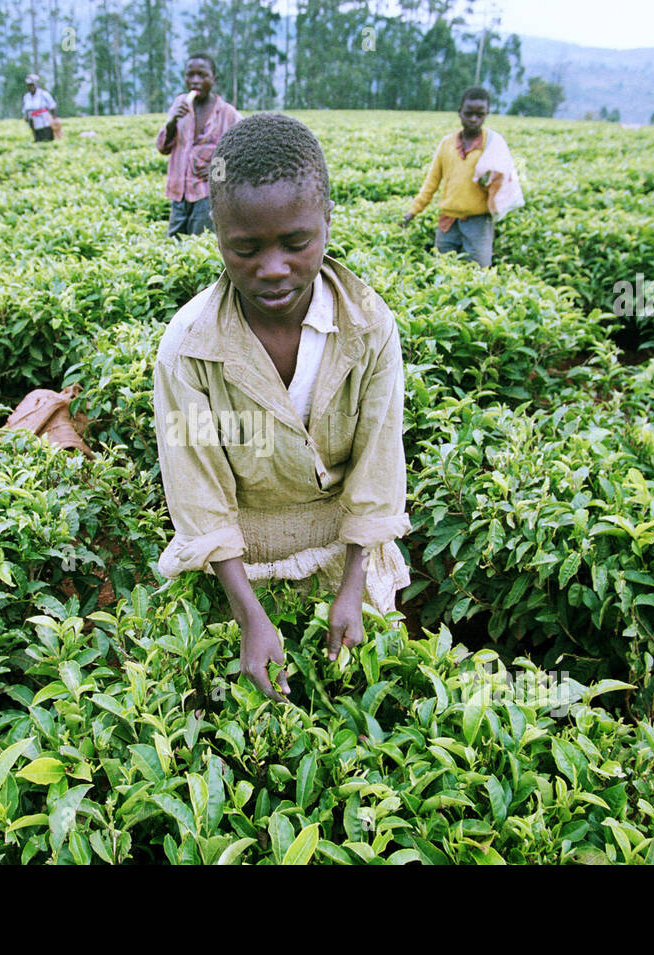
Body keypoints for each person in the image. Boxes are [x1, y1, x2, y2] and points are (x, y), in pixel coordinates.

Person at [153, 113, 410, 701]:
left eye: (296, 243)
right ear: (216, 233)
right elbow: (199, 493)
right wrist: (249, 616)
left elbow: (377, 461)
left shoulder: (369, 327)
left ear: (326, 221)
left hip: (347, 549)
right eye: (246, 248)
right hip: (239, 567)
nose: (273, 269)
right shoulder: (188, 349)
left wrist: (353, 585)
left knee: (359, 700)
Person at [401, 86, 523, 268]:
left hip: (478, 223)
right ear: (460, 113)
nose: (474, 119)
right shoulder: (447, 144)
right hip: (448, 222)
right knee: (441, 269)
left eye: (480, 114)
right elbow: (431, 182)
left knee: (478, 273)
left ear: (486, 114)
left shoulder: (492, 145)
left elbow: (504, 181)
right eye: (469, 113)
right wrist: (413, 211)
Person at [155, 54, 242, 237]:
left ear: (214, 79)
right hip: (178, 192)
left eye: (202, 75)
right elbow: (163, 147)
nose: (195, 81)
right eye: (190, 75)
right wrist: (172, 122)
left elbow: (243, 150)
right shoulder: (180, 104)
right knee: (174, 243)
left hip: (206, 193)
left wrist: (217, 168)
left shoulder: (227, 113)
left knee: (199, 242)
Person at [23, 74, 58, 142]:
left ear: (36, 84)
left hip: (45, 125)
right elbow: (25, 111)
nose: (31, 87)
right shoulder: (26, 97)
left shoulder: (44, 94)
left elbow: (53, 106)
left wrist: (54, 119)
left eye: (33, 85)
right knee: (37, 141)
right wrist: (26, 118)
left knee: (47, 141)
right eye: (29, 85)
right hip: (34, 126)